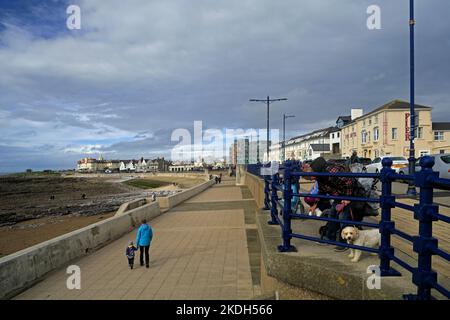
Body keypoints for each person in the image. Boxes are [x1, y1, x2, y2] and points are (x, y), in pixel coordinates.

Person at [302, 157, 356, 252]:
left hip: (348, 194)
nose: (311, 180)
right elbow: (322, 190)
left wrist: (347, 197)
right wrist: (315, 204)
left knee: (343, 217)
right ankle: (330, 238)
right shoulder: (320, 175)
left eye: (310, 177)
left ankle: (344, 243)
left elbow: (348, 181)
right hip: (338, 195)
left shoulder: (331, 171)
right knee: (332, 215)